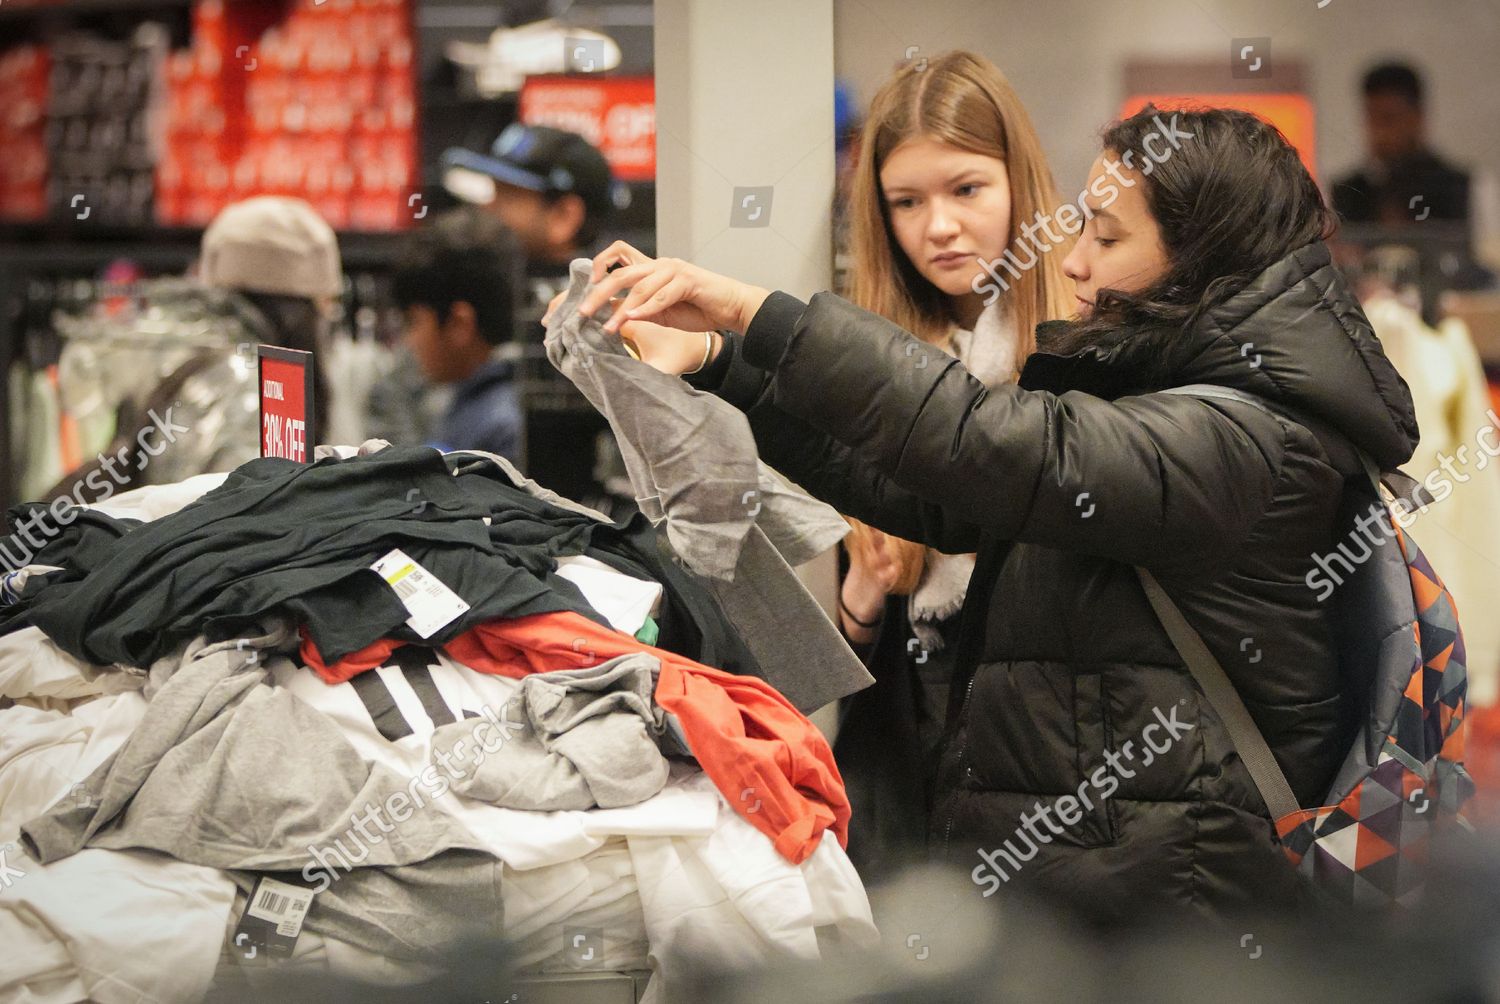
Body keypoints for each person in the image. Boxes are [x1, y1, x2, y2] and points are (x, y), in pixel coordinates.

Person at [557, 105, 1422, 925]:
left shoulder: (1250, 437)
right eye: (1082, 226)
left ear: (1201, 258)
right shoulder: (1170, 400)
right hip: (1123, 881)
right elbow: (941, 493)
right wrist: (721, 362)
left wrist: (756, 317)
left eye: (1109, 236)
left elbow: (990, 442)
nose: (1076, 261)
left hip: (1181, 906)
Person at [828, 50, 1074, 882]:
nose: (938, 226)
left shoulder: (1089, 355)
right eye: (907, 201)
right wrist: (864, 591)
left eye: (966, 189)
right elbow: (847, 666)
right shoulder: (859, 366)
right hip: (913, 760)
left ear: (1019, 186)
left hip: (1062, 759)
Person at [391, 207, 525, 460]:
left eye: (414, 321)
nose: (409, 340)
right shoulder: (472, 403)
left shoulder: (501, 426)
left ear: (459, 324)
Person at [442, 122, 627, 296]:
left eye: (509, 197)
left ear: (564, 216)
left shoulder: (611, 311)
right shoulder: (471, 283)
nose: (487, 207)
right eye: (495, 192)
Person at [1332, 62, 1470, 227]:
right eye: (1371, 119)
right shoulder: (1347, 192)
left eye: (1388, 119)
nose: (1379, 133)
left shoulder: (1462, 188)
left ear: (1417, 117)